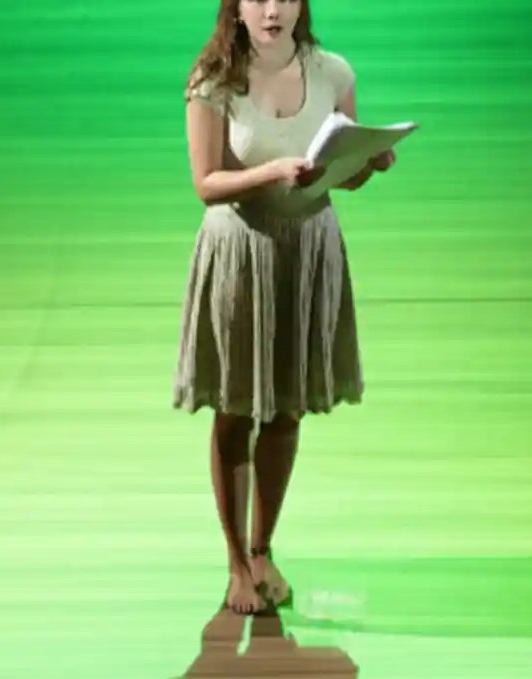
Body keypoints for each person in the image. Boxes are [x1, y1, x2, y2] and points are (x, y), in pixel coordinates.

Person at [173, 0, 395, 615]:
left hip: (309, 248)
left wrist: (368, 164)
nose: (273, 10)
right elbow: (206, 183)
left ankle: (264, 546)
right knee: (235, 409)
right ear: (236, 9)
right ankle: (236, 563)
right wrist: (270, 172)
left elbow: (340, 171)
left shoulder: (334, 73)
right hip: (241, 251)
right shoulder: (213, 79)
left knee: (287, 406)